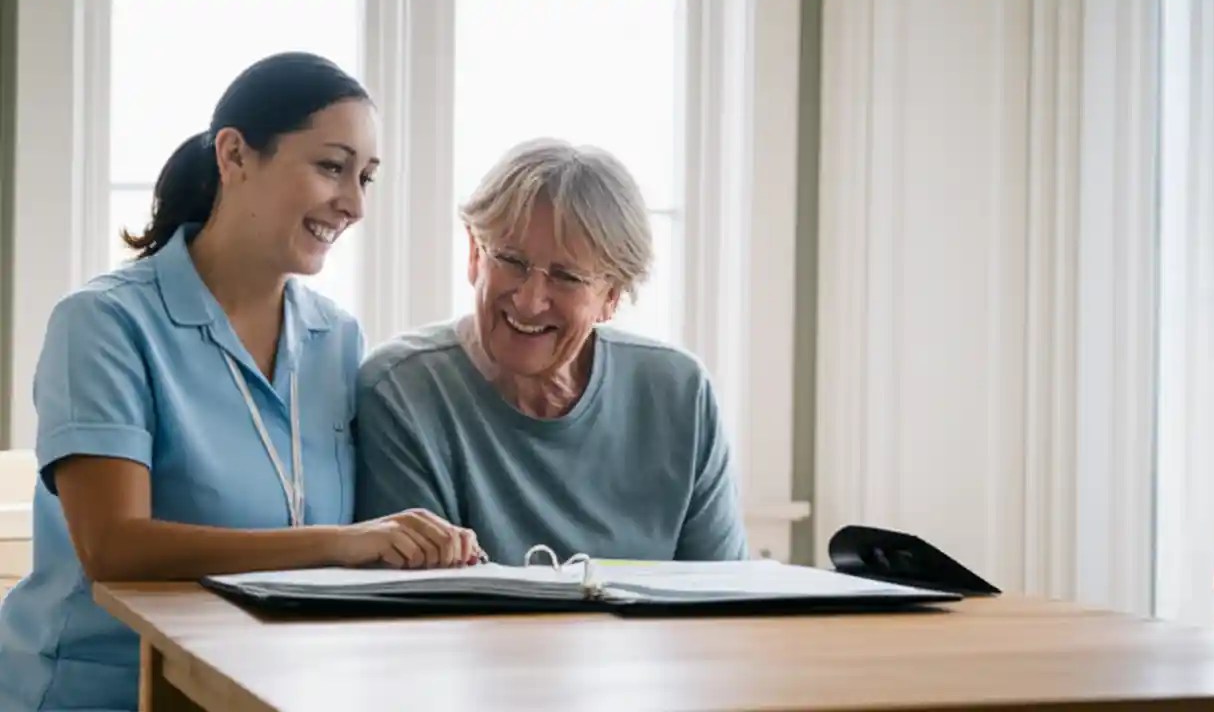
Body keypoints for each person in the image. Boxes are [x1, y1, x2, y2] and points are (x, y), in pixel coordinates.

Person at [0, 52, 478, 712]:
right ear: (235, 155)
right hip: (99, 692)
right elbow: (113, 546)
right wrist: (345, 543)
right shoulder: (104, 323)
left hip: (263, 689)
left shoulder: (337, 338)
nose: (355, 204)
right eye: (331, 167)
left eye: (366, 177)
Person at [355, 138, 749, 566]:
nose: (529, 300)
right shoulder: (400, 390)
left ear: (611, 297)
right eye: (510, 260)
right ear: (474, 255)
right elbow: (424, 604)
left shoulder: (678, 393)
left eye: (566, 277)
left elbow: (722, 595)